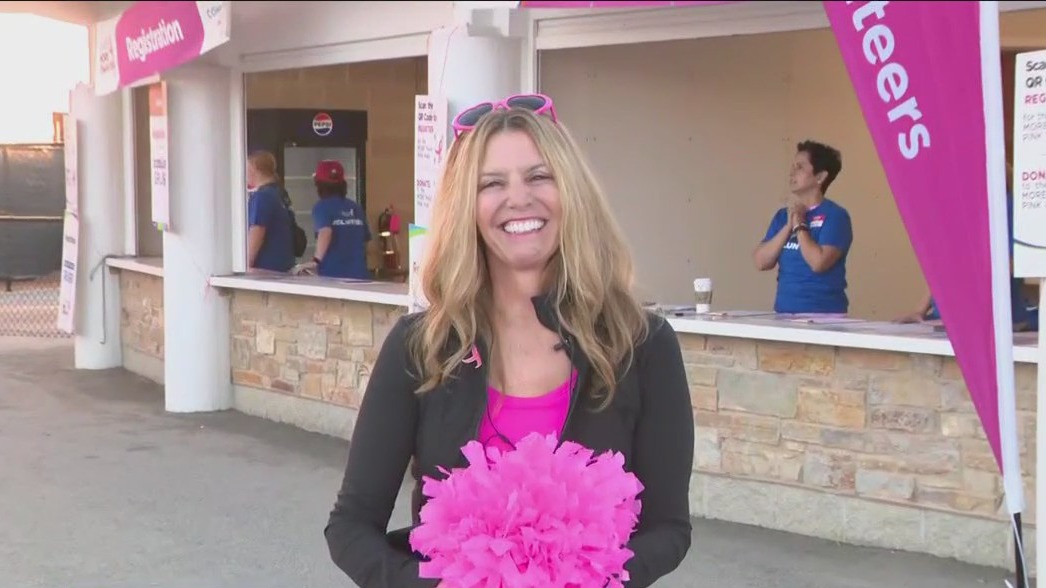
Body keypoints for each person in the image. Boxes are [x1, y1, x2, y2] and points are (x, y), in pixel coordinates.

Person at [323, 95, 694, 587]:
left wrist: (591, 578)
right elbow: (350, 527)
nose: (519, 198)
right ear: (466, 209)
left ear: (571, 193)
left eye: (539, 177)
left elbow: (669, 528)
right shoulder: (421, 347)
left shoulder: (642, 344)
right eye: (491, 184)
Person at [896, 170, 1039, 332]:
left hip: (992, 316)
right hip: (949, 315)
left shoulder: (1005, 207)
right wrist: (920, 309)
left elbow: (1015, 263)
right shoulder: (957, 211)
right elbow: (943, 264)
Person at [752, 140, 853, 314]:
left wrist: (800, 225)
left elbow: (818, 263)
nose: (792, 172)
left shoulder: (836, 216)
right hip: (784, 315)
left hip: (825, 317)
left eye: (800, 167)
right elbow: (761, 262)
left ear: (820, 177)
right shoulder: (783, 216)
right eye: (792, 166)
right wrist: (788, 226)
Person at [295, 160, 371, 280]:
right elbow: (365, 241)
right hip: (360, 275)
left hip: (333, 275)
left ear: (318, 184)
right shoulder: (356, 208)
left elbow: (326, 232)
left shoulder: (322, 207)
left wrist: (316, 261)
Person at [245, 151, 295, 273]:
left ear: (253, 169)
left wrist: (245, 265)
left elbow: (257, 231)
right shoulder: (279, 194)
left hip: (264, 270)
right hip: (283, 267)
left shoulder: (262, 197)